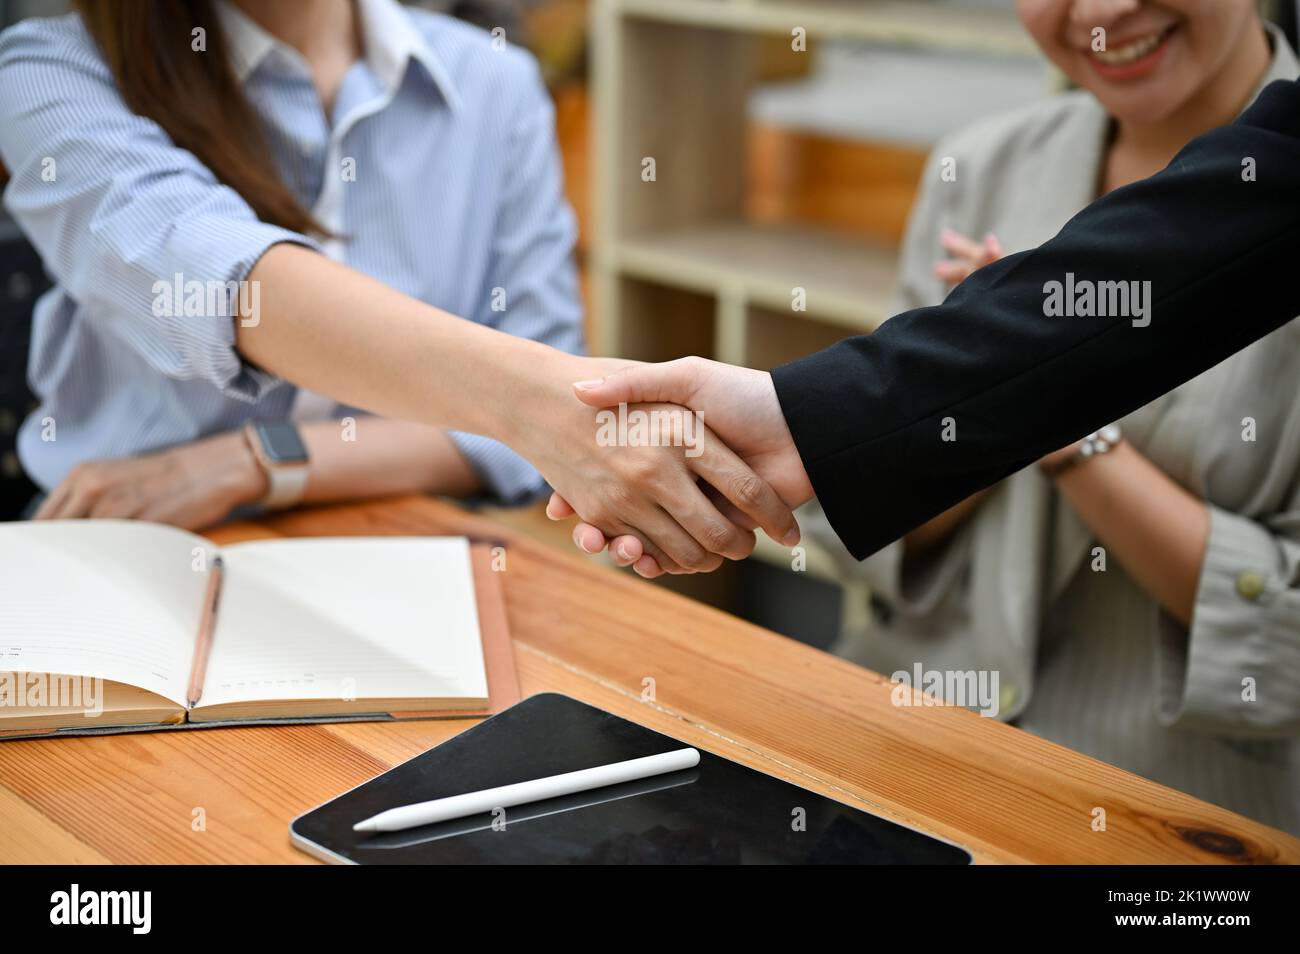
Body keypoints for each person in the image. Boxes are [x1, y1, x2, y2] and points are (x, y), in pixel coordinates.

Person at [595, 0, 1300, 833]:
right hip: (912, 749)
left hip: (1181, 812)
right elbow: (865, 531)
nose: (1105, 11)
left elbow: (1281, 636)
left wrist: (1050, 410)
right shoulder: (984, 166)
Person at [0, 0, 801, 573]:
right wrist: (544, 410)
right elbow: (225, 280)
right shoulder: (47, 74)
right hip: (126, 557)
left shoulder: (495, 86)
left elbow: (518, 448)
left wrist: (254, 461)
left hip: (403, 557)